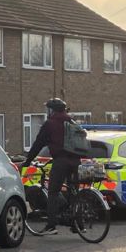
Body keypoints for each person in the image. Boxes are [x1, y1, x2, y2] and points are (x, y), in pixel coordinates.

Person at [21, 98, 81, 235]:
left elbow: (38, 144)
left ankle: (51, 225)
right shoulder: (71, 121)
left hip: (61, 161)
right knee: (74, 192)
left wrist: (28, 161)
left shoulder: (50, 124)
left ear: (52, 110)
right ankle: (78, 223)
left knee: (53, 192)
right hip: (76, 161)